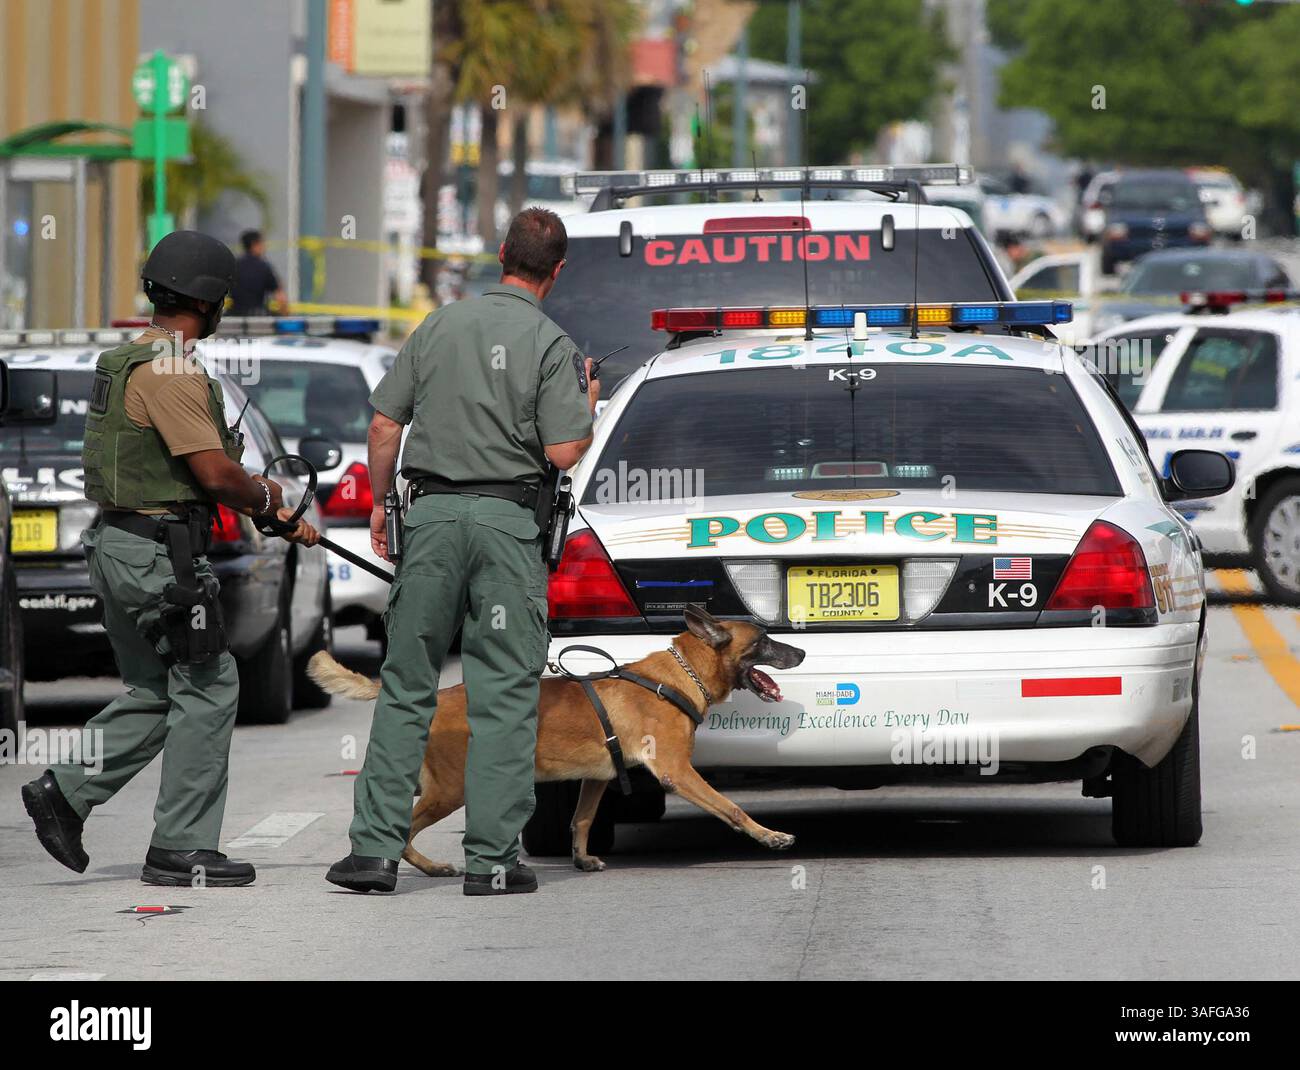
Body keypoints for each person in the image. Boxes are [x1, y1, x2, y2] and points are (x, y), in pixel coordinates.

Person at [21, 230, 319, 888]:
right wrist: (272, 501)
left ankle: (64, 794)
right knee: (210, 685)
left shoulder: (128, 359)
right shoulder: (174, 370)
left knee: (159, 690)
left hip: (122, 546)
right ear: (208, 301)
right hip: (160, 555)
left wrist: (267, 507)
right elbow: (215, 472)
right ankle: (179, 846)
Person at [326, 207, 600, 896]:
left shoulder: (440, 323)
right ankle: (492, 860)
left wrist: (384, 509)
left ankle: (374, 853)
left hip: (432, 522)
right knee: (505, 693)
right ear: (556, 272)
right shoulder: (551, 342)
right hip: (508, 529)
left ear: (500, 252)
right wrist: (585, 404)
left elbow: (387, 424)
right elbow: (565, 451)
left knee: (407, 684)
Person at [229, 229, 286, 316]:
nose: (264, 246)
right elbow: (280, 297)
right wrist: (285, 315)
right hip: (257, 316)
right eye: (262, 243)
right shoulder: (263, 266)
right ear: (254, 244)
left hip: (234, 315)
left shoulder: (233, 265)